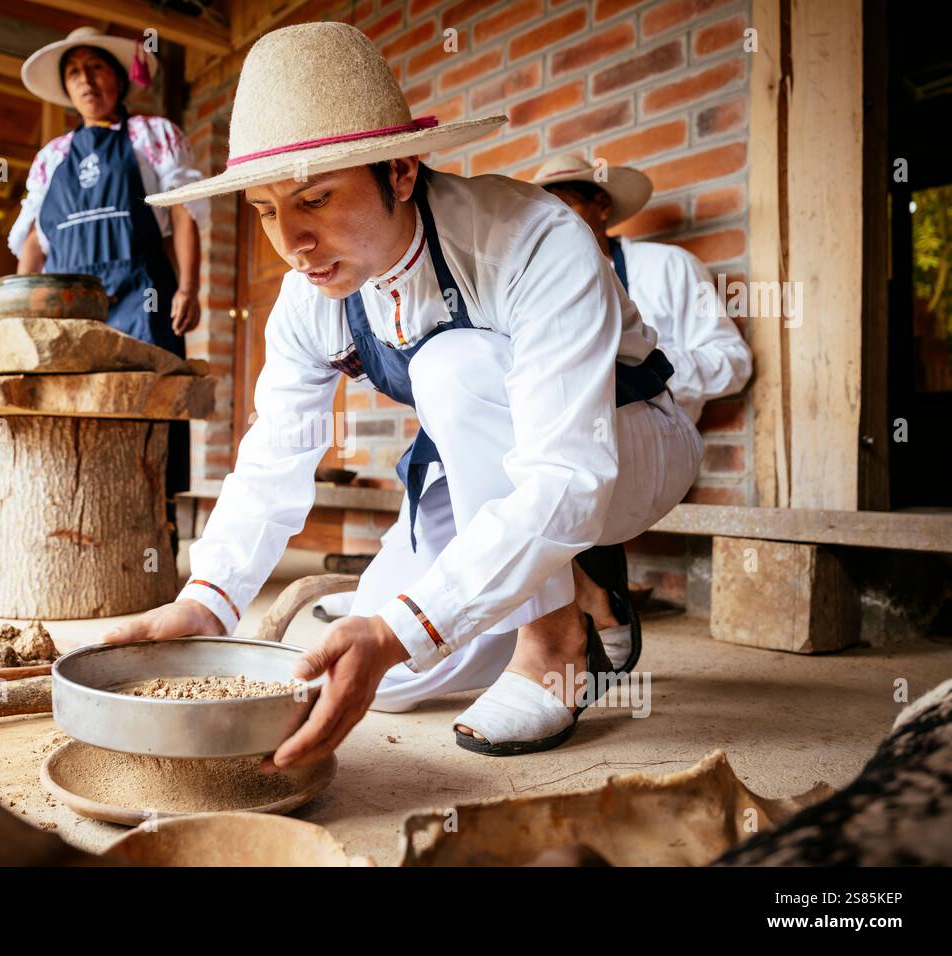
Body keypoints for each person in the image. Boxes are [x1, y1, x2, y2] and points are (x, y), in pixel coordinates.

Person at [103, 22, 704, 764]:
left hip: (629, 443)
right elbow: (276, 453)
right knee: (367, 673)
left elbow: (568, 476)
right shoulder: (308, 297)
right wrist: (209, 597)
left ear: (402, 172)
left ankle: (556, 644)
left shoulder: (536, 240)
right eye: (265, 210)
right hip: (483, 462)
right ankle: (581, 587)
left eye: (314, 199)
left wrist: (404, 627)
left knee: (450, 369)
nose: (291, 242)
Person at [12, 26, 209, 558]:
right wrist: (16, 306)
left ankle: (155, 534)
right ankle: (81, 534)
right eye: (74, 72)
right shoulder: (52, 156)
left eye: (95, 67)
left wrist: (188, 287)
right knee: (77, 411)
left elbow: (185, 212)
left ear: (119, 77)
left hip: (141, 293)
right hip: (70, 303)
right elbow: (34, 239)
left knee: (151, 406)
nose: (86, 80)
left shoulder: (152, 135)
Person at [533, 154, 753, 424]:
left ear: (602, 205)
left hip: (662, 456)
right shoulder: (538, 289)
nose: (552, 222)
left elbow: (735, 364)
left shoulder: (669, 266)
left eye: (565, 206)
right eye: (543, 213)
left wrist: (645, 365)